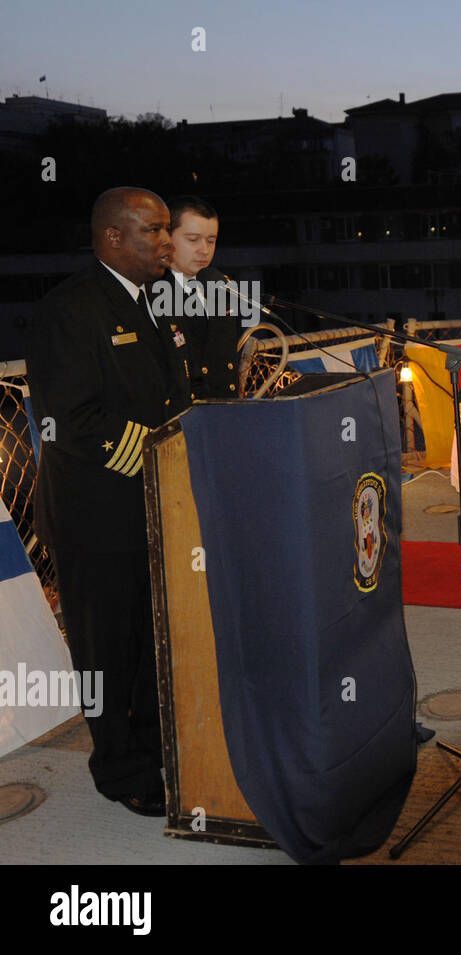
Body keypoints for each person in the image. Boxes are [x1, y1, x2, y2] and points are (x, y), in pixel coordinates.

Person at [25, 187, 192, 816]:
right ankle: (119, 769)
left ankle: (156, 748)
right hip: (95, 514)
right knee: (103, 649)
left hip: (150, 505)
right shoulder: (69, 309)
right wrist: (156, 450)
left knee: (151, 640)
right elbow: (69, 418)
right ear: (113, 238)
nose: (167, 243)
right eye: (153, 231)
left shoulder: (147, 304)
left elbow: (170, 396)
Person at [165, 195, 242, 399]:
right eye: (192, 240)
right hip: (184, 416)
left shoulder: (221, 285)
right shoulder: (153, 292)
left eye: (211, 240)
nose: (204, 250)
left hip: (224, 408)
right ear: (166, 238)